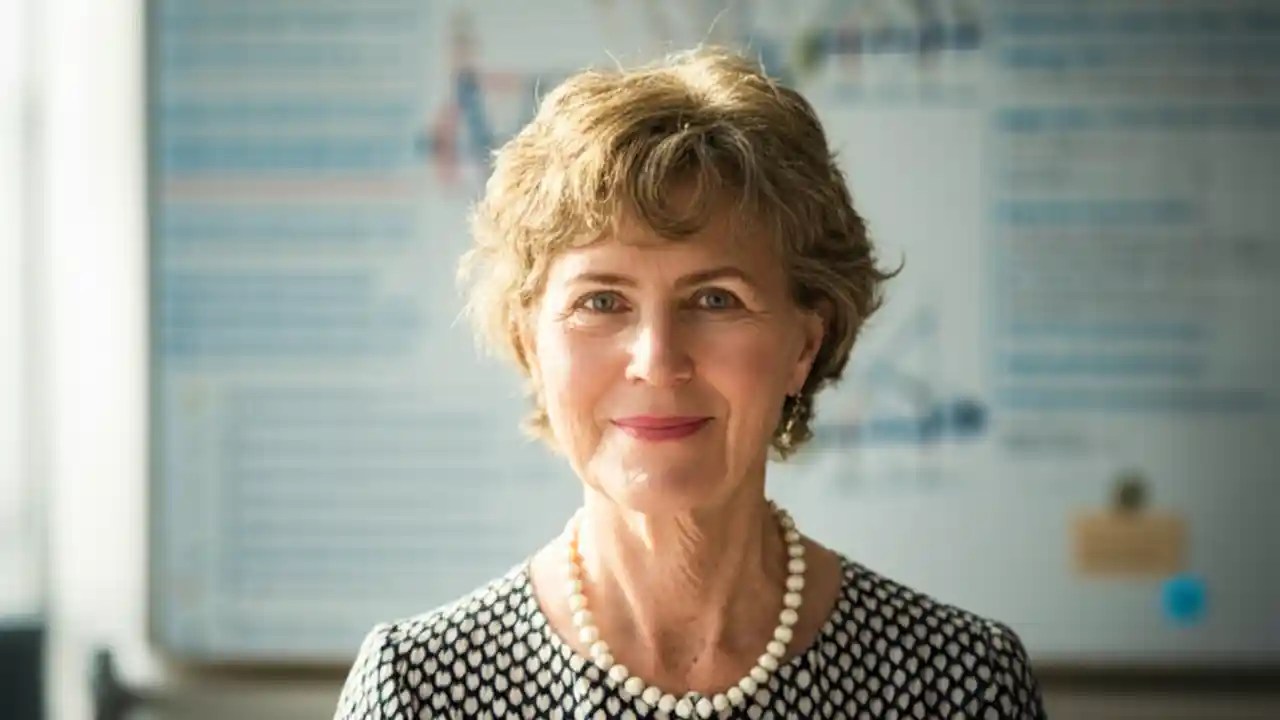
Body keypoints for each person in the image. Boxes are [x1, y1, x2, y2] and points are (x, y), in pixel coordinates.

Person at [335, 47, 1046, 719]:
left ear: (805, 341)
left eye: (715, 299)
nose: (656, 358)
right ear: (530, 341)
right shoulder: (416, 689)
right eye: (601, 302)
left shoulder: (963, 683)